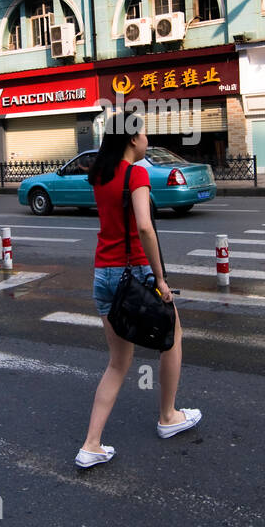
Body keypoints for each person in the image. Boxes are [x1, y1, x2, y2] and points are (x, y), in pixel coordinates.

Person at [78, 117, 200, 468]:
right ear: (132, 138)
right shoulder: (136, 175)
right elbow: (145, 227)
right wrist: (160, 279)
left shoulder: (100, 175)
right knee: (172, 336)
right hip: (134, 275)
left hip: (103, 274)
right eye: (144, 132)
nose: (147, 138)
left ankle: (91, 444)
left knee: (118, 363)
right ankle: (168, 416)